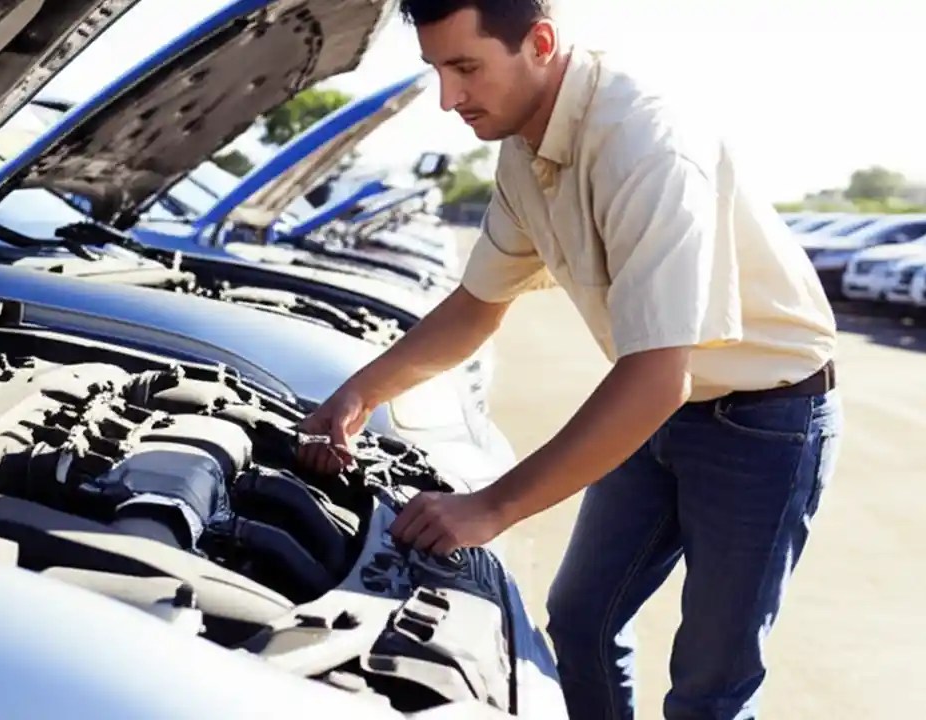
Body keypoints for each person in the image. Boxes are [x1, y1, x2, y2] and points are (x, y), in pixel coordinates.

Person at [296, 1, 844, 718]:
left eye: (466, 68)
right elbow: (478, 305)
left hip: (765, 420)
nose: (448, 98)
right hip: (659, 410)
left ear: (541, 43)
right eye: (436, 69)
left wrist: (491, 507)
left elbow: (657, 373)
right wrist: (359, 395)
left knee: (711, 681)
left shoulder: (646, 144)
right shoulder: (524, 150)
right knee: (582, 620)